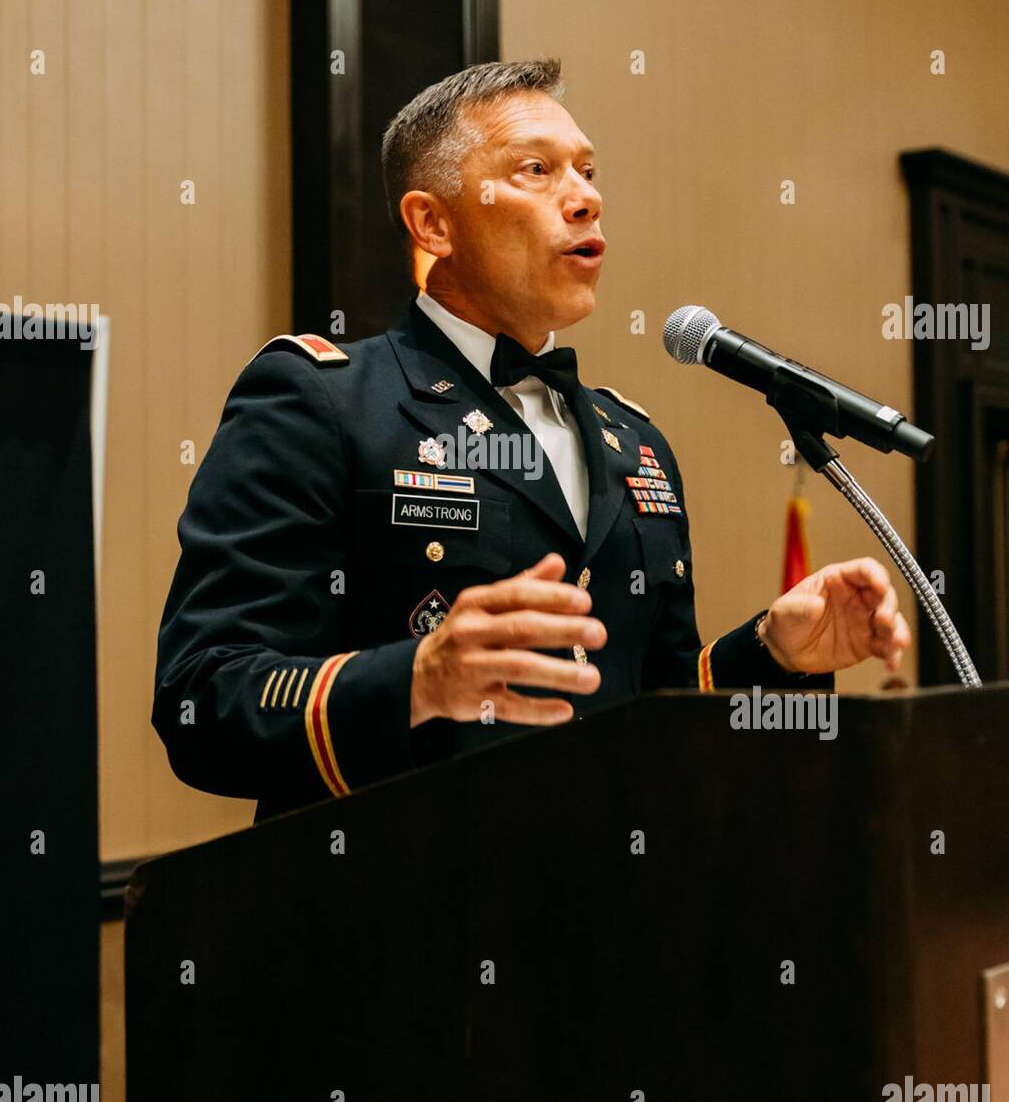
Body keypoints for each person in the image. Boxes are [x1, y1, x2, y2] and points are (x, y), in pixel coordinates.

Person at [152, 58, 910, 822]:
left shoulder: (635, 442)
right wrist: (414, 680)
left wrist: (770, 653)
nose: (585, 198)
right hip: (393, 913)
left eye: (587, 170)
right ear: (433, 223)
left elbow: (648, 710)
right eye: (537, 170)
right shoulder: (319, 400)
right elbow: (203, 696)